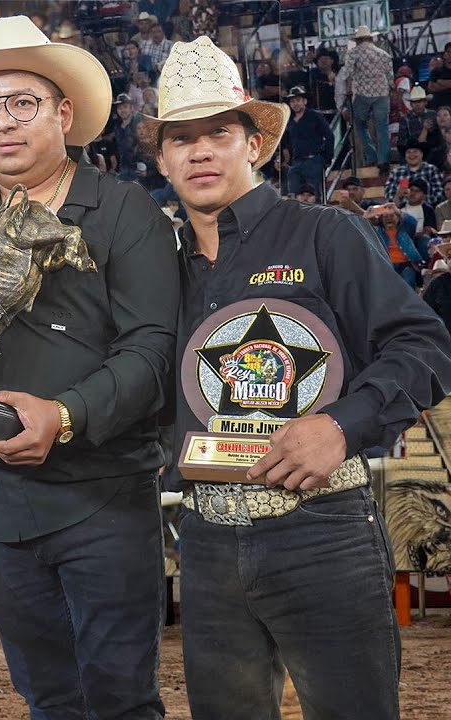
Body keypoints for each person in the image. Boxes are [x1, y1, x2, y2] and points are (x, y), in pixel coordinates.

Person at [152, 36, 451, 720]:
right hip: (206, 538)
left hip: (323, 529)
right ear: (162, 158)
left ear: (253, 144)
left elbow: (425, 345)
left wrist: (342, 426)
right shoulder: (158, 268)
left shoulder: (325, 234)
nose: (200, 152)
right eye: (181, 138)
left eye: (218, 133)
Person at [0, 16, 178, 716]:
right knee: (49, 696)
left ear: (63, 113)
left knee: (120, 696)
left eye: (22, 103)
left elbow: (153, 350)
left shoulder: (125, 213)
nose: (3, 122)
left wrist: (62, 415)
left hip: (104, 494)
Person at [343, 26, 393, 169]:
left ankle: (371, 155)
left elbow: (348, 75)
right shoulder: (383, 54)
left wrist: (348, 93)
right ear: (371, 38)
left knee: (360, 124)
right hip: (382, 92)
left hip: (363, 93)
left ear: (357, 40)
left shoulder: (352, 53)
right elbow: (390, 77)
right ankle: (383, 160)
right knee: (382, 126)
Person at [282, 86, 332, 200]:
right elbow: (286, 140)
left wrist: (327, 158)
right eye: (292, 101)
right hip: (297, 162)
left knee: (313, 194)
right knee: (293, 194)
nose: (295, 104)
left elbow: (329, 136)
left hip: (313, 160)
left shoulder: (315, 116)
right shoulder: (290, 120)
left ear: (305, 101)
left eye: (298, 100)